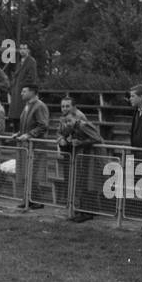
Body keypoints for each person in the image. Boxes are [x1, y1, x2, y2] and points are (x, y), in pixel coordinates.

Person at [56, 94, 103, 222]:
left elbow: (98, 138)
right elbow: (60, 132)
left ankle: (86, 212)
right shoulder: (69, 122)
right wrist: (63, 139)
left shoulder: (82, 123)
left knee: (86, 183)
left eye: (69, 122)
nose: (68, 125)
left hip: (90, 155)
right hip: (80, 155)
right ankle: (82, 210)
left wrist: (80, 142)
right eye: (62, 106)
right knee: (81, 183)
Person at [14, 84, 50, 212]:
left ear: (33, 92)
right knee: (27, 174)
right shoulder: (27, 105)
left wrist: (29, 135)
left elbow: (43, 125)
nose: (21, 93)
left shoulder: (39, 106)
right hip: (26, 146)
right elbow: (28, 124)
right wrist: (19, 133)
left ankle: (36, 200)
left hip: (36, 146)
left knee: (33, 174)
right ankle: (29, 199)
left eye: (24, 91)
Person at [8, 43, 37, 129]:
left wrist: (22, 85)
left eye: (24, 48)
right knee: (15, 114)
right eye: (20, 49)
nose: (22, 50)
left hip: (24, 90)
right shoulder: (19, 61)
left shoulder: (31, 61)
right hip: (16, 90)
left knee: (23, 114)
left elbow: (32, 77)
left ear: (28, 50)